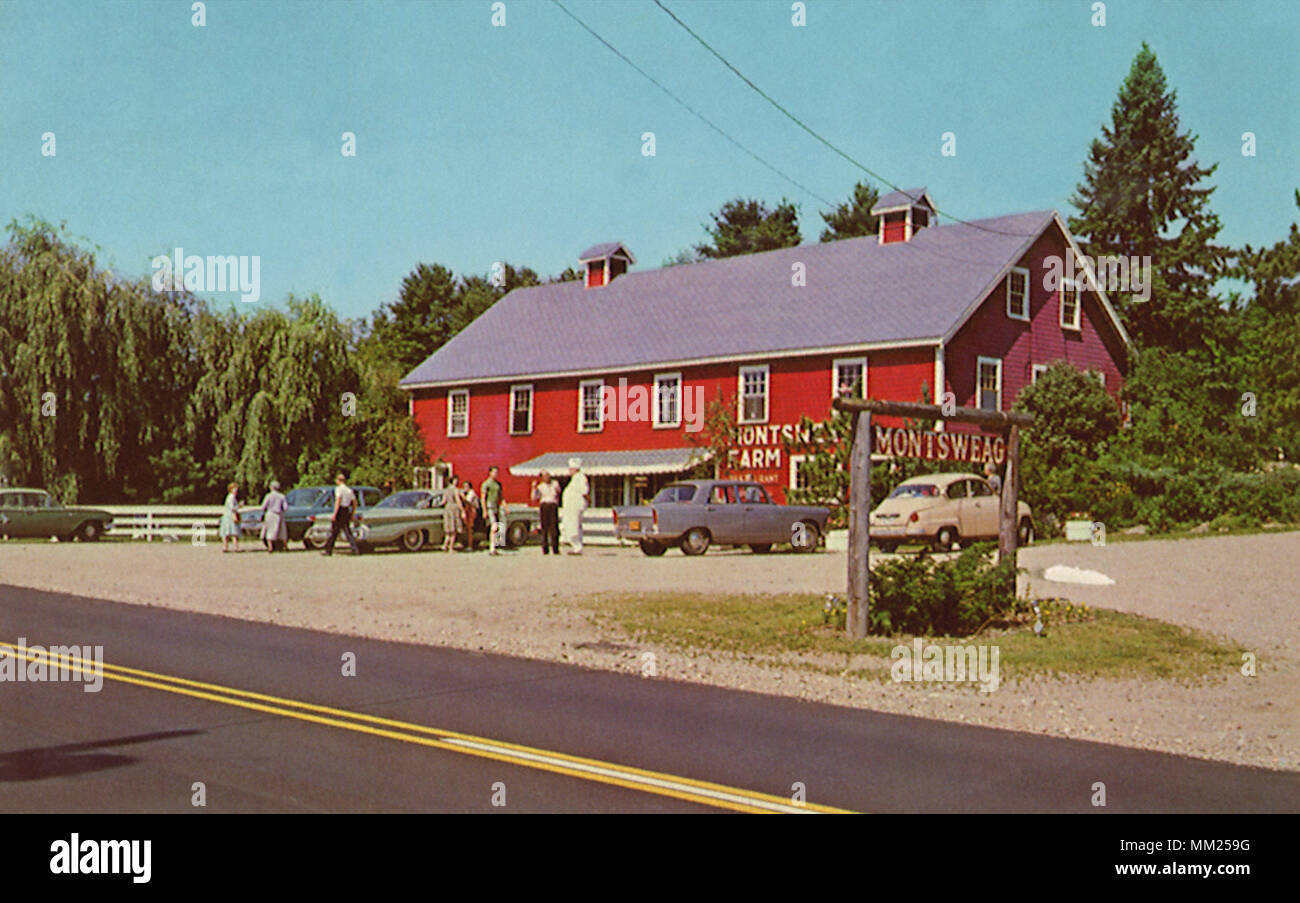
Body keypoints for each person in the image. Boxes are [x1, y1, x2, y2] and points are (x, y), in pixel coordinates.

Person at [322, 472, 362, 556]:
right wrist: (352, 513)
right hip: (346, 510)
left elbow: (338, 501)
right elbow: (355, 502)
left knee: (334, 531)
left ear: (339, 480)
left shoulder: (339, 489)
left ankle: (328, 550)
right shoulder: (349, 490)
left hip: (340, 510)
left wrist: (335, 513)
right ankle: (355, 549)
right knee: (347, 531)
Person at [560, 458, 589, 555]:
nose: (569, 471)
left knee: (574, 526)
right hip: (570, 508)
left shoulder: (580, 477)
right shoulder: (575, 478)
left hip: (575, 507)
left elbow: (584, 491)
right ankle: (576, 546)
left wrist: (588, 500)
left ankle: (577, 546)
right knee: (571, 526)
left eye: (570, 469)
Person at [532, 470, 560, 555]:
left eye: (547, 475)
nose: (546, 478)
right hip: (544, 505)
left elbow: (558, 492)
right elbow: (534, 498)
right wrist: (533, 488)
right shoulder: (541, 487)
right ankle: (545, 548)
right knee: (544, 527)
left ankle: (555, 548)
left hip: (552, 504)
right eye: (544, 476)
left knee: (554, 527)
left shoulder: (555, 484)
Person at [260, 480, 289, 552]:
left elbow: (263, 507)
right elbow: (285, 508)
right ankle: (285, 546)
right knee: (282, 531)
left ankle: (270, 547)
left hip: (270, 514)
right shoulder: (282, 496)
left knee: (269, 530)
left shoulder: (268, 496)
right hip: (279, 514)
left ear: (271, 487)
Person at [482, 466, 503, 555]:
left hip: (496, 507)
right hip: (490, 506)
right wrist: (484, 510)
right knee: (494, 527)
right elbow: (483, 498)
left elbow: (501, 497)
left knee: (497, 527)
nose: (495, 474)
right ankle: (492, 547)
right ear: (490, 473)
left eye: (497, 472)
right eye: (494, 472)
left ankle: (495, 546)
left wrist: (505, 506)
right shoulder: (486, 484)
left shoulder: (498, 484)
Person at [441, 481, 465, 552]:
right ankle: (451, 547)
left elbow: (443, 501)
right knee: (454, 530)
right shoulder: (455, 490)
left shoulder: (446, 490)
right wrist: (462, 510)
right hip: (454, 508)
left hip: (447, 509)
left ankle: (445, 545)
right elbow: (458, 500)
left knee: (448, 530)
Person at [219, 482, 241, 553]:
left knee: (228, 532)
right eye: (235, 489)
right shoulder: (231, 497)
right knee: (233, 531)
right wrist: (239, 506)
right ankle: (234, 547)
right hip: (230, 516)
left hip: (228, 515)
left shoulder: (230, 497)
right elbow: (232, 508)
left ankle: (226, 547)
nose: (236, 490)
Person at [461, 479, 480, 550]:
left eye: (466, 486)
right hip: (468, 511)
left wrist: (462, 496)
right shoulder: (468, 493)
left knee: (469, 528)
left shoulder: (471, 493)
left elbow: (468, 501)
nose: (465, 488)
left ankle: (470, 545)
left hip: (472, 511)